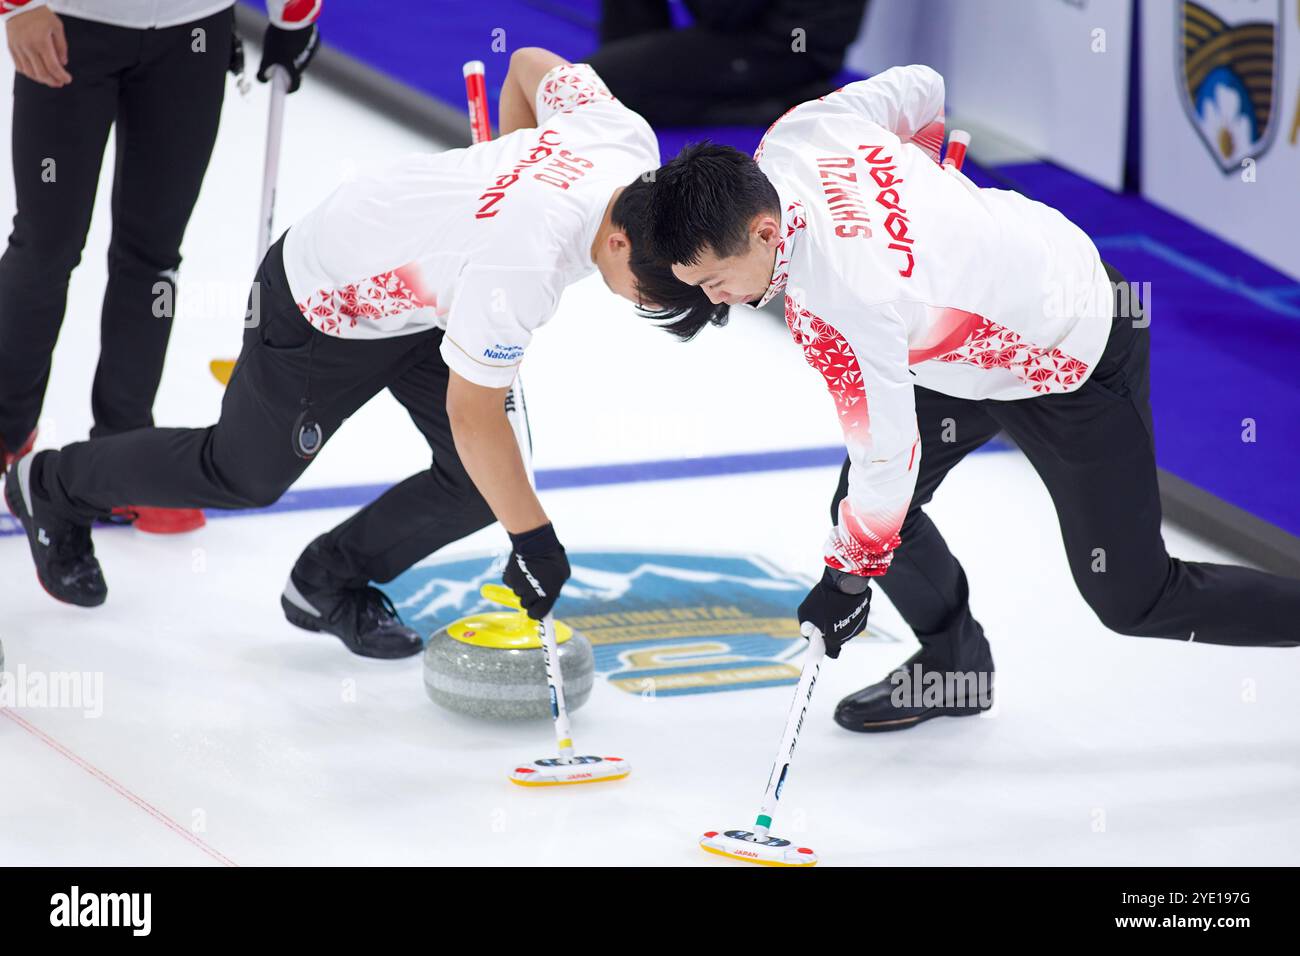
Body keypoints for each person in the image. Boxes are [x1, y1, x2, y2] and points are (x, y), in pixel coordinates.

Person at [637, 65, 1300, 732]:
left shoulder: (842, 305)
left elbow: (886, 459)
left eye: (717, 281)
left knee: (1132, 596)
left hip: (1074, 351)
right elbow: (921, 83)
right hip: (958, 346)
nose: (714, 301)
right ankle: (955, 669)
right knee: (869, 519)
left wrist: (845, 585)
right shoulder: (805, 133)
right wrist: (927, 180)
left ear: (762, 231)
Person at [4, 47, 689, 658]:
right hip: (327, 301)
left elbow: (530, 62)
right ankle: (53, 484)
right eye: (652, 294)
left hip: (435, 290)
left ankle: (325, 582)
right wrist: (536, 541)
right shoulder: (526, 260)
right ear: (623, 241)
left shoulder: (624, 143)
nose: (655, 304)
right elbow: (473, 414)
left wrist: (511, 163)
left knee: (484, 481)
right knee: (243, 474)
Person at [0, 0, 321, 534]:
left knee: (153, 256)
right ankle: (7, 427)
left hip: (191, 34)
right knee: (44, 247)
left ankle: (122, 454)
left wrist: (294, 13)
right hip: (71, 23)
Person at [585, 0, 868, 127]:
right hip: (751, 26)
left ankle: (769, 106)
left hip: (789, 48)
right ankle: (638, 75)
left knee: (603, 81)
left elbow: (725, 12)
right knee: (608, 85)